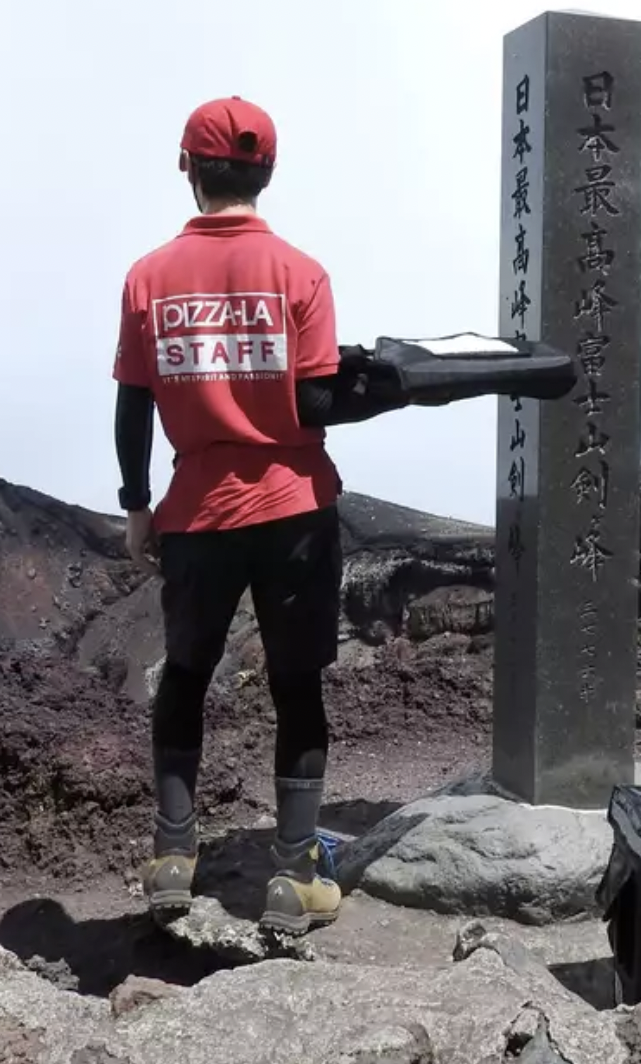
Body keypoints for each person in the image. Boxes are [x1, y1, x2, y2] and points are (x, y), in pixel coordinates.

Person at [111, 96, 408, 936]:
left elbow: (133, 408)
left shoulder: (148, 277)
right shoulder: (301, 273)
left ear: (187, 168)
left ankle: (172, 857)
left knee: (186, 676)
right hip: (293, 510)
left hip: (197, 513)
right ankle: (294, 875)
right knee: (296, 685)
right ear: (268, 172)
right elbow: (314, 396)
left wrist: (139, 507)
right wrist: (379, 388)